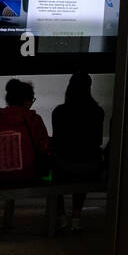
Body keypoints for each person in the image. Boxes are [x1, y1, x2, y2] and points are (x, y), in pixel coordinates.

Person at [0, 79, 50, 238]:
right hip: (28, 174)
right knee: (50, 171)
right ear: (27, 101)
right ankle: (59, 216)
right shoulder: (33, 119)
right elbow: (44, 147)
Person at [50, 72, 104, 231]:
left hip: (63, 166)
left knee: (52, 168)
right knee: (85, 163)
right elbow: (97, 142)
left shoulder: (59, 112)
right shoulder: (97, 112)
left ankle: (60, 216)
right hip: (90, 167)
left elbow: (58, 142)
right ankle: (76, 216)